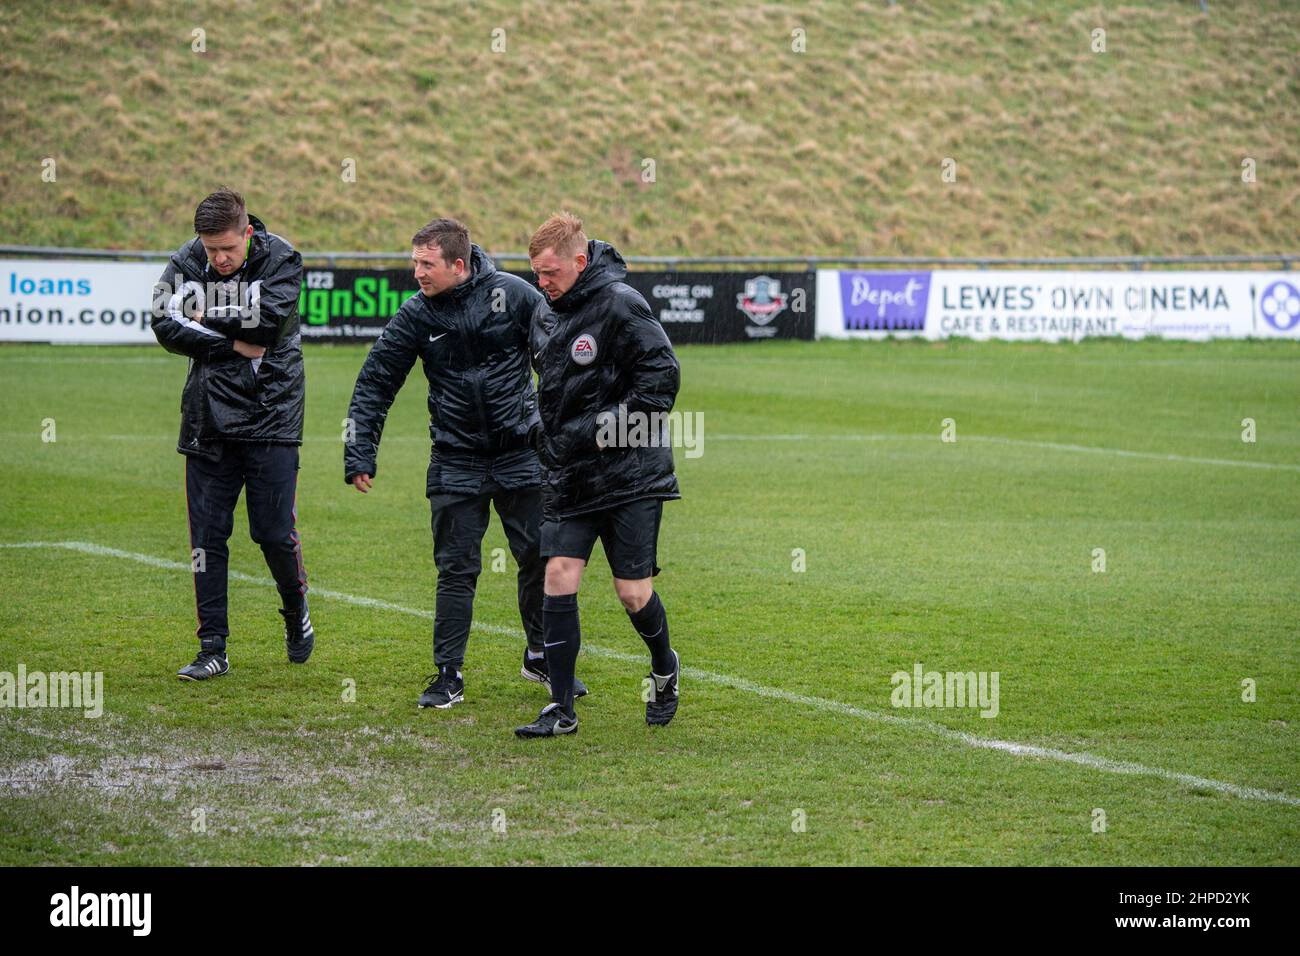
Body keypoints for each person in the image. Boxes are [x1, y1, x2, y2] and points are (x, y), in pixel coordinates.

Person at [344, 218, 587, 709]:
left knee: (540, 556)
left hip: (521, 451)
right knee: (456, 569)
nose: (417, 273)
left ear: (459, 264)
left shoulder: (516, 296)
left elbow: (558, 362)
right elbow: (375, 383)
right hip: (455, 458)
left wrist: (559, 432)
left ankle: (540, 654)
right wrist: (360, 452)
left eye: (426, 264)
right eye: (414, 262)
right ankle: (448, 674)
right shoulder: (415, 315)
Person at [515, 212, 681, 739]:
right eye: (536, 273)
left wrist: (596, 430)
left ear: (579, 262)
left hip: (630, 474)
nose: (541, 283)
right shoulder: (545, 310)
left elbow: (661, 382)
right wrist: (537, 427)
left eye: (550, 273)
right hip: (569, 474)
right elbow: (542, 383)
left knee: (632, 592)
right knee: (559, 575)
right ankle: (561, 709)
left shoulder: (621, 304)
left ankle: (664, 667)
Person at [150, 188, 313, 680]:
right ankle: (212, 647)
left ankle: (295, 609)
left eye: (227, 248)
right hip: (207, 420)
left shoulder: (283, 258)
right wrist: (230, 346)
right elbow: (161, 320)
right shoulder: (186, 259)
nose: (218, 259)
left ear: (248, 233)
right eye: (210, 249)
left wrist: (204, 320)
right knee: (207, 539)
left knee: (271, 533)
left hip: (272, 416)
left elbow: (266, 324)